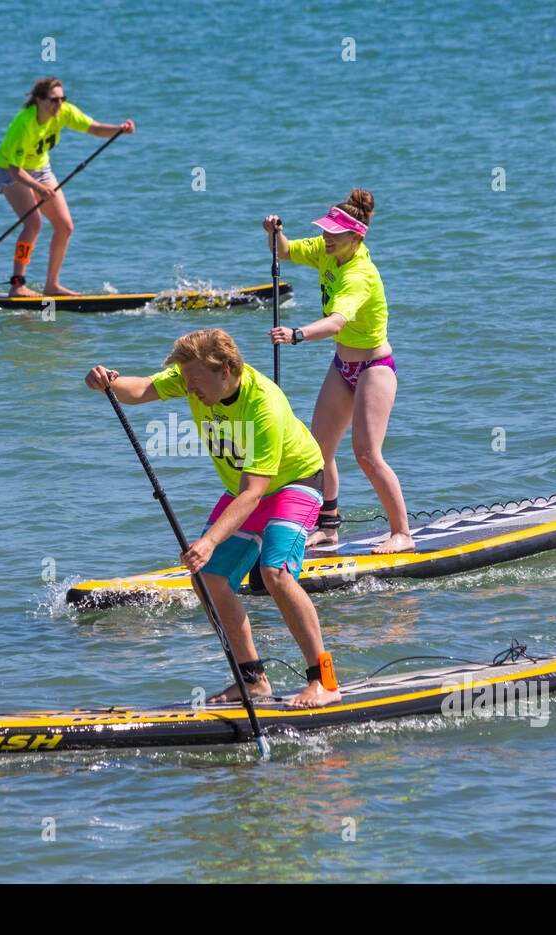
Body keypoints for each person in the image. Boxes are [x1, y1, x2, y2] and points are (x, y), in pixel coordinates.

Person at [84, 329, 342, 708]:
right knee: (208, 579)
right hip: (246, 490)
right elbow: (139, 391)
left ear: (225, 370)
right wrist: (107, 382)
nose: (188, 389)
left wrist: (208, 541)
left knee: (276, 574)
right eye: (184, 381)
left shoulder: (263, 404)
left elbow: (254, 492)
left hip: (295, 483)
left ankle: (325, 681)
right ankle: (252, 681)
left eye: (195, 381)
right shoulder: (193, 378)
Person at [265, 189, 415, 556]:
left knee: (366, 453)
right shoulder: (327, 249)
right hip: (342, 365)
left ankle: (402, 533)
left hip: (374, 368)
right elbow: (284, 251)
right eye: (325, 231)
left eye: (334, 233)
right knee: (318, 450)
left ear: (356, 236)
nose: (326, 237)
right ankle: (329, 528)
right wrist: (274, 233)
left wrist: (297, 334)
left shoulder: (359, 274)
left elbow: (336, 322)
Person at [0, 78, 134, 298]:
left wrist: (120, 130)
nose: (58, 104)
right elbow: (15, 170)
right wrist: (38, 188)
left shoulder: (65, 112)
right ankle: (17, 284)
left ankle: (52, 285)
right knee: (33, 223)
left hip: (40, 169)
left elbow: (95, 129)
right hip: (11, 170)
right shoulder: (23, 125)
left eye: (62, 99)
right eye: (53, 100)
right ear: (39, 101)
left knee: (65, 226)